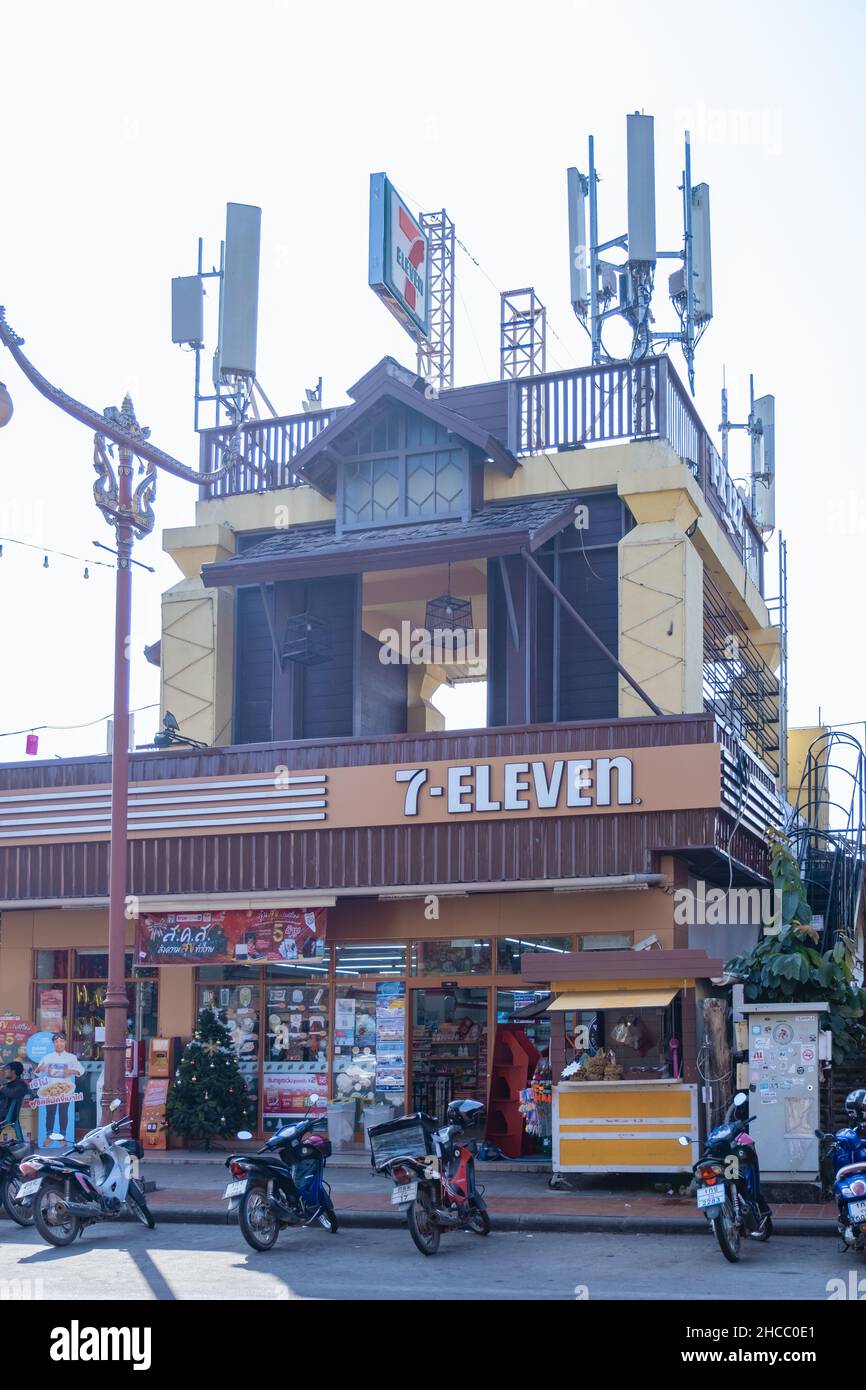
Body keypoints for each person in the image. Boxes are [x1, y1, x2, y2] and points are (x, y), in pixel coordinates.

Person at [34, 1032, 84, 1139]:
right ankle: (49, 1133)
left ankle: (63, 1133)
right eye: (56, 1042)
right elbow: (37, 1072)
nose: (59, 1044)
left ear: (65, 1043)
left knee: (63, 1112)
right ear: (53, 1044)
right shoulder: (47, 1057)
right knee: (50, 1112)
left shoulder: (71, 1057)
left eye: (61, 1041)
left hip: (66, 1090)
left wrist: (72, 1071)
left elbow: (81, 1070)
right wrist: (40, 1069)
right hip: (50, 1089)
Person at [0, 1061, 31, 1141]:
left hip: (7, 1115)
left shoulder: (21, 1084)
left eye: (7, 1069)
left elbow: (14, 1094)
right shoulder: (8, 1085)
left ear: (13, 1071)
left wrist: (2, 1088)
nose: (5, 1071)